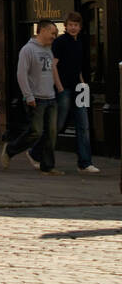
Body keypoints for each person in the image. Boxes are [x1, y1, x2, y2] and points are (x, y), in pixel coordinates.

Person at [1, 20, 62, 174]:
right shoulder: (27, 50)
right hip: (37, 98)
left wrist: (58, 87)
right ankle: (10, 149)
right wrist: (28, 96)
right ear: (41, 30)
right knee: (36, 131)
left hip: (51, 97)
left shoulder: (49, 49)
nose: (54, 36)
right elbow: (21, 74)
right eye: (52, 32)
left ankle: (47, 166)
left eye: (55, 33)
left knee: (51, 133)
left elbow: (52, 69)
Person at [52, 12, 99, 174]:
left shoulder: (80, 42)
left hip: (79, 88)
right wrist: (59, 87)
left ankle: (85, 163)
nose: (73, 28)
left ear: (80, 27)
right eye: (71, 24)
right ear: (65, 25)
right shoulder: (59, 42)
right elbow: (53, 65)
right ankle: (37, 152)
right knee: (58, 124)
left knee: (83, 125)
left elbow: (77, 66)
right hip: (64, 88)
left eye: (76, 25)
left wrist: (83, 82)